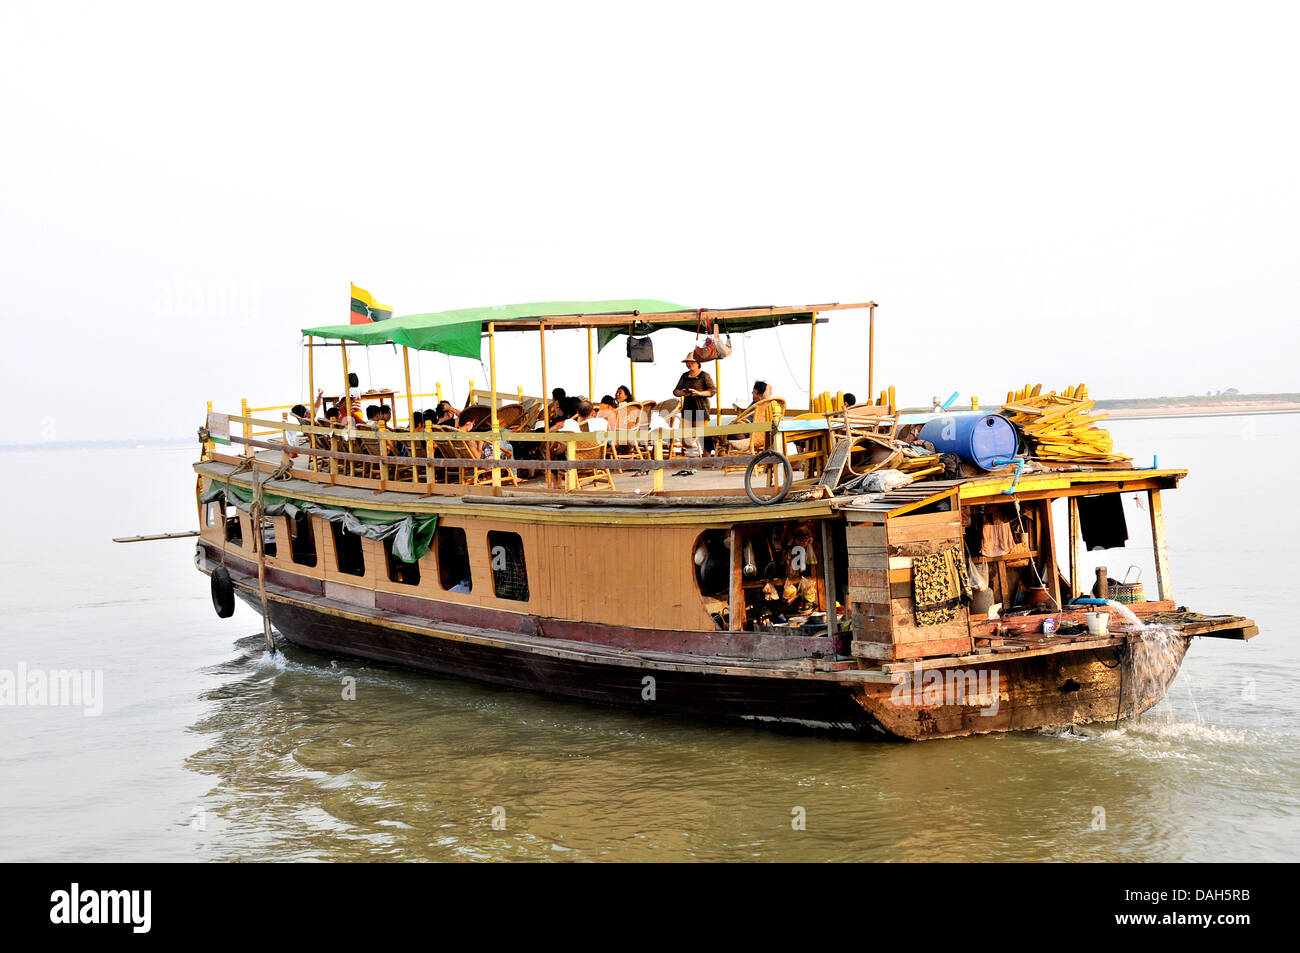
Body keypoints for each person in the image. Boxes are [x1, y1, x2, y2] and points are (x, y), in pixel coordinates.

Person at [673, 353, 716, 455]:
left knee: (702, 435)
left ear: (698, 363)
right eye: (688, 362)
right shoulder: (684, 376)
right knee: (684, 437)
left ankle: (707, 458)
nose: (690, 364)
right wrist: (683, 393)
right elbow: (675, 391)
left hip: (700, 408)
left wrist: (700, 393)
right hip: (687, 408)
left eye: (692, 362)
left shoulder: (704, 375)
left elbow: (712, 391)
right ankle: (693, 455)